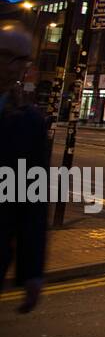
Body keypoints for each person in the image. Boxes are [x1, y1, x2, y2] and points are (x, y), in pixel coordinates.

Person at [0, 23, 50, 313]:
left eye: (21, 60)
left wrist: (32, 271)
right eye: (6, 56)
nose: (12, 67)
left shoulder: (29, 122)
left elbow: (31, 202)